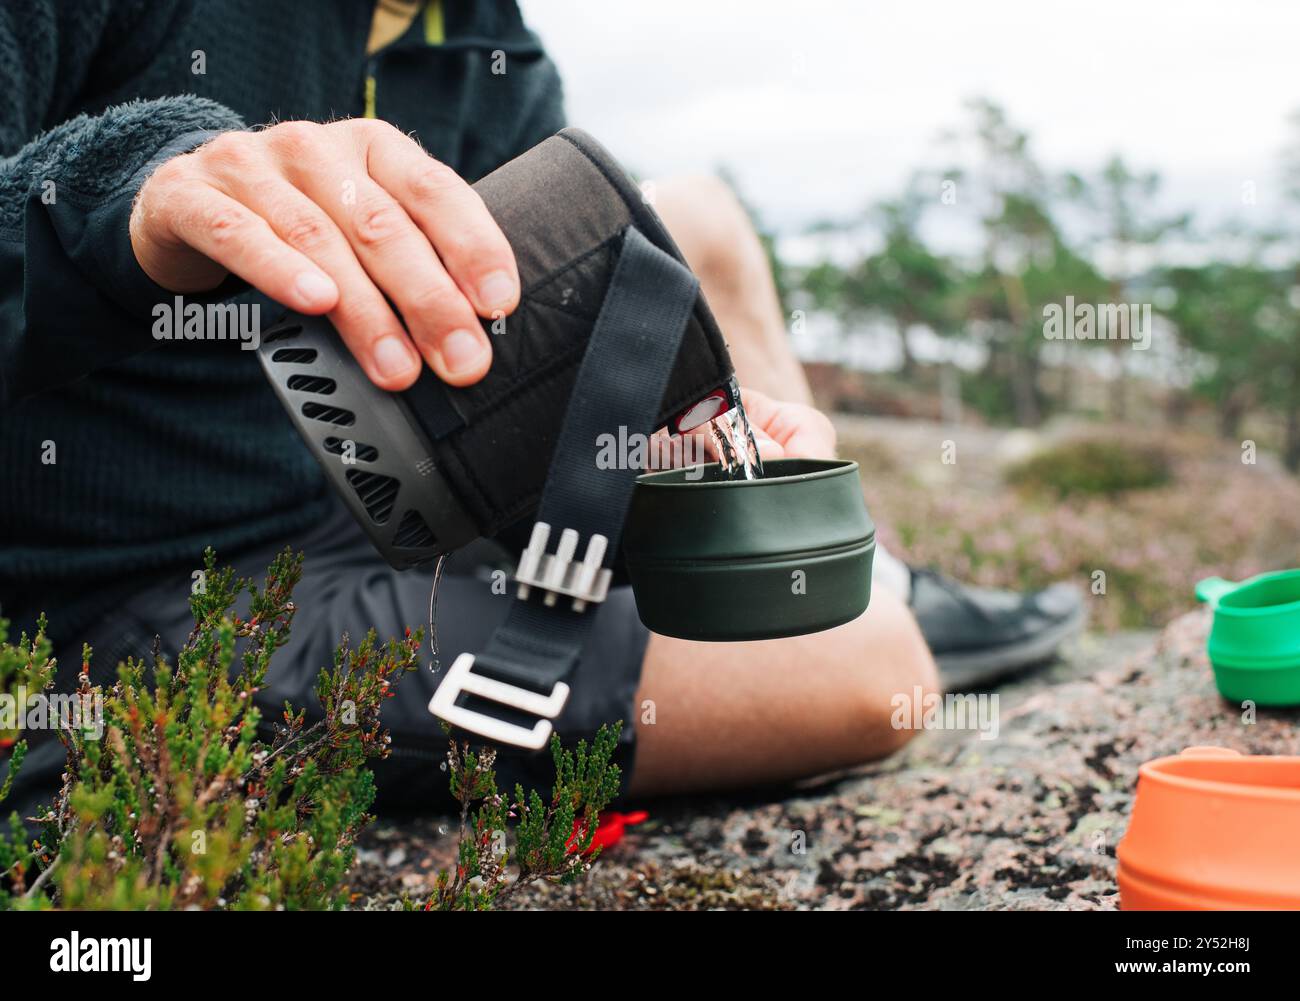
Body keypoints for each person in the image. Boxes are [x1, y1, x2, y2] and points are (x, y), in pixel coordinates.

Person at [0, 1, 1080, 817]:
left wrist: (654, 434)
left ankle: (837, 564)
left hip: (392, 490)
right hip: (135, 602)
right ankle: (873, 616)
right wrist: (127, 207)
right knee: (869, 674)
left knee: (694, 221)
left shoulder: (482, 35)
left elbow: (520, 337)